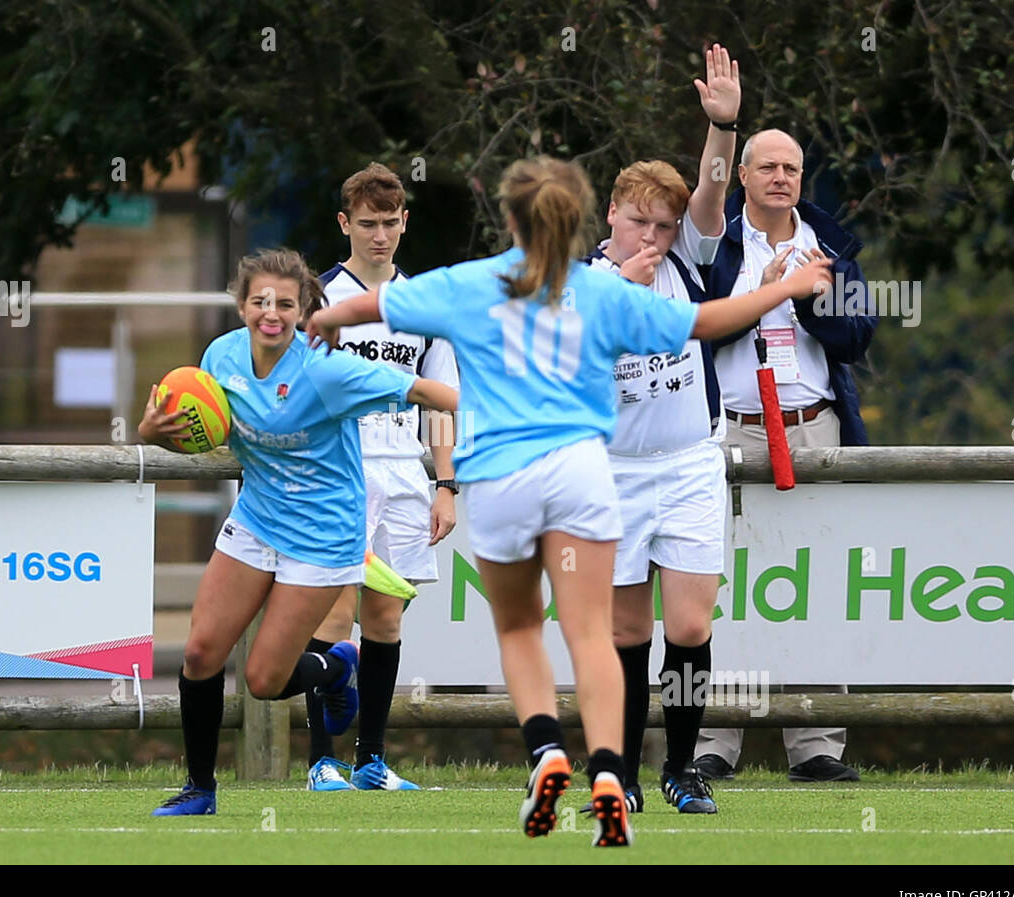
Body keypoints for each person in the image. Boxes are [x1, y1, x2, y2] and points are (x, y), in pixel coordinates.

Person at [306, 156, 834, 846]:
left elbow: (366, 306)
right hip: (585, 472)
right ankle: (612, 774)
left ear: (511, 219)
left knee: (523, 632)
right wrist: (787, 287)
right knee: (595, 635)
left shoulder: (472, 283)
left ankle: (547, 754)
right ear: (587, 218)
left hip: (501, 475)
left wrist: (325, 322)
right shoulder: (601, 291)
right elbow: (708, 321)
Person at [139, 247, 458, 816]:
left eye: (286, 304)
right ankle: (199, 790)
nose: (271, 312)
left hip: (324, 533)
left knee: (264, 679)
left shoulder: (327, 369)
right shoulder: (220, 358)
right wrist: (151, 429)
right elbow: (194, 426)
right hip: (258, 518)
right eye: (260, 301)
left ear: (306, 311)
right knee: (200, 652)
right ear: (240, 306)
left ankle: (339, 666)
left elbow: (426, 393)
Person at [582, 42, 739, 815]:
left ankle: (682, 768)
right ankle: (619, 773)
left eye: (666, 226)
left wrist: (724, 128)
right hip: (609, 472)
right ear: (611, 212)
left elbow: (711, 197)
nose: (654, 237)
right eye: (640, 221)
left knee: (689, 620)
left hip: (686, 463)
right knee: (622, 629)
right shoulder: (579, 284)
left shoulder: (688, 260)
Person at [693, 128, 877, 784]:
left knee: (817, 583)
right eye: (767, 166)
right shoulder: (717, 245)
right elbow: (692, 330)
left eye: (791, 168)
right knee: (720, 585)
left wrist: (807, 296)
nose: (780, 177)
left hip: (813, 428)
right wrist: (761, 295)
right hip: (729, 432)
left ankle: (816, 743)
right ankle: (713, 741)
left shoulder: (828, 245)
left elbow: (858, 337)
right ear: (742, 175)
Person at [303, 163, 460, 792]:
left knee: (387, 620)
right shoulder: (320, 300)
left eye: (389, 223)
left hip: (405, 473)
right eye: (366, 224)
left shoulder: (425, 305)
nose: (379, 235)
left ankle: (370, 759)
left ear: (404, 223)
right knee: (333, 617)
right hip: (340, 471)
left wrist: (445, 485)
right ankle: (321, 761)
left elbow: (442, 402)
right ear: (345, 224)